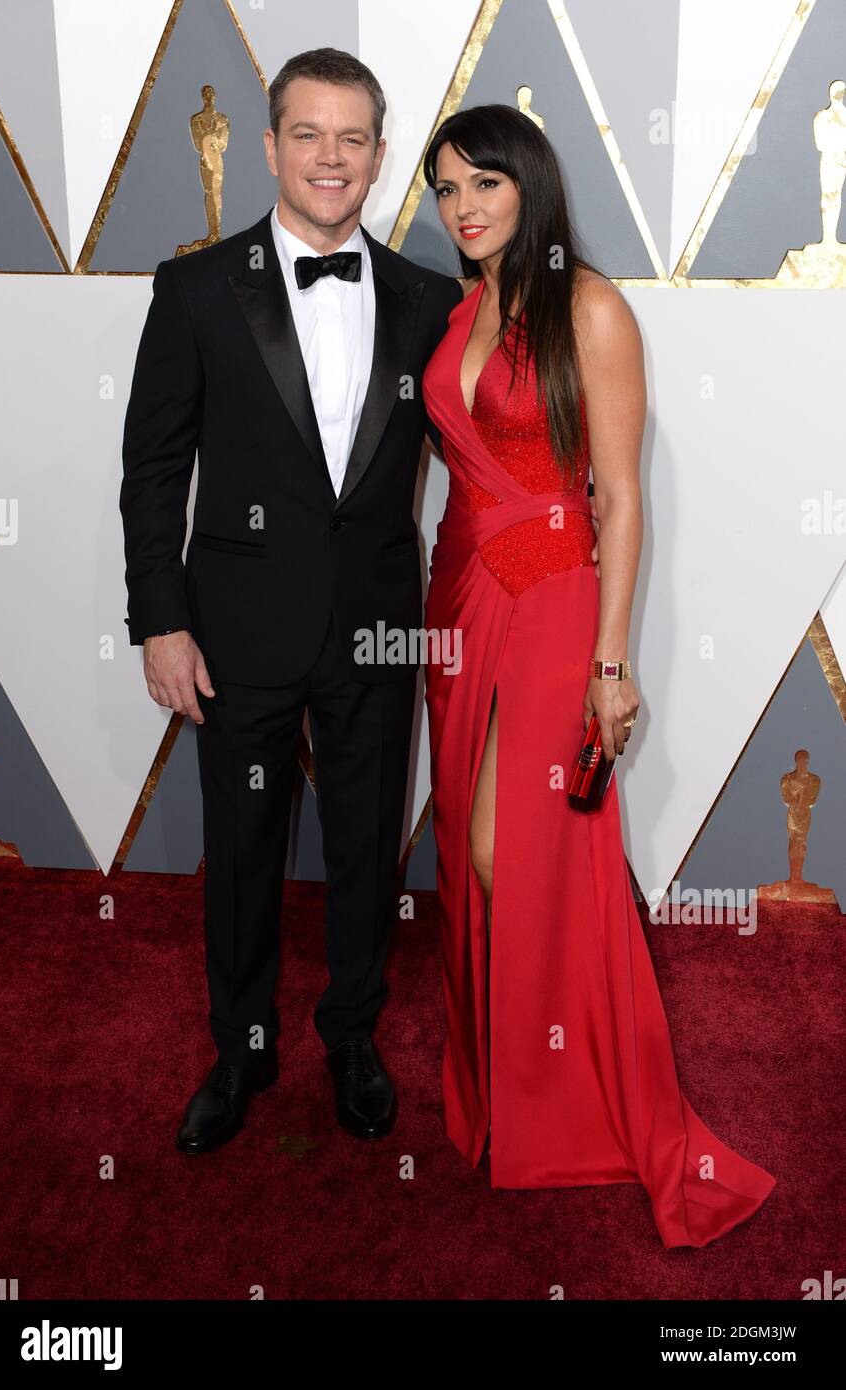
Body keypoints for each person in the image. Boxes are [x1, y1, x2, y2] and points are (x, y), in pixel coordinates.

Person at [420, 104, 776, 1248]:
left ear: (529, 186)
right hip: (463, 598)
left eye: (482, 184)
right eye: (443, 191)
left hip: (557, 603)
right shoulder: (466, 307)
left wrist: (609, 663)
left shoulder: (591, 307)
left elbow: (616, 498)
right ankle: (508, 1090)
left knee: (511, 846)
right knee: (472, 863)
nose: (463, 209)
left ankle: (568, 1097)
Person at [120, 48, 463, 1154]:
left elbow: (484, 438)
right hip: (235, 627)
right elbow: (153, 469)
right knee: (245, 845)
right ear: (268, 148)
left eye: (351, 137)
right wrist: (158, 619)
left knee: (366, 848)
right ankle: (241, 1047)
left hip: (374, 621)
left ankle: (351, 1038)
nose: (329, 156)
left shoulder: (429, 300)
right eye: (307, 134)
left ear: (376, 155)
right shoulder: (194, 288)